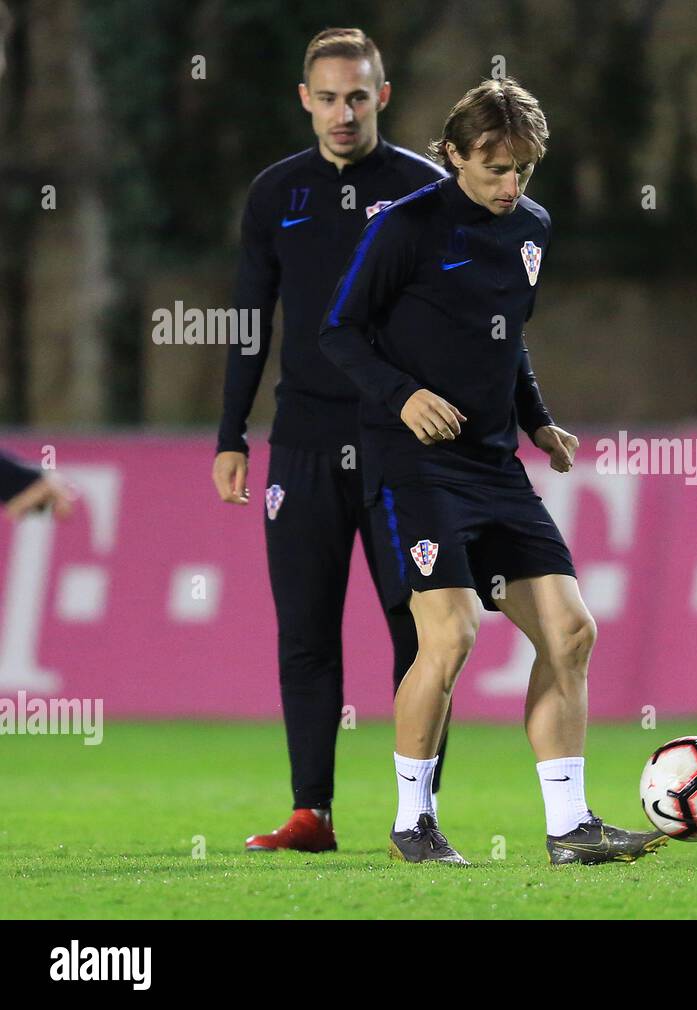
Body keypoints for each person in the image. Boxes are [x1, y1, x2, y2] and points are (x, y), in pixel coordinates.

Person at [320, 78, 667, 866]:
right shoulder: (404, 228)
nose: (511, 186)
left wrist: (537, 418)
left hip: (494, 464)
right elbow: (337, 332)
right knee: (451, 635)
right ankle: (414, 822)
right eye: (495, 169)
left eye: (523, 171)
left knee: (572, 633)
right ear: (453, 156)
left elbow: (506, 338)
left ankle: (571, 828)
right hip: (413, 464)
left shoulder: (533, 229)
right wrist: (403, 396)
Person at [213, 28, 449, 853]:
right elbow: (251, 320)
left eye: (358, 96)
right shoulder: (277, 193)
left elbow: (458, 320)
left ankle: (414, 815)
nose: (343, 112)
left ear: (381, 96)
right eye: (328, 97)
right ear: (304, 101)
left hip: (399, 448)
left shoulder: (425, 190)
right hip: (304, 445)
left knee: (418, 634)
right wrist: (231, 432)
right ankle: (311, 811)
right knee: (306, 634)